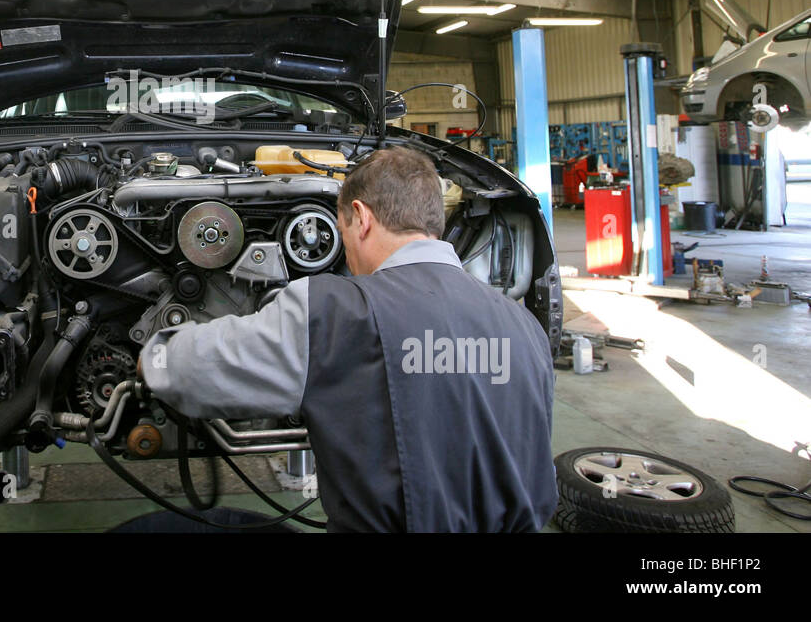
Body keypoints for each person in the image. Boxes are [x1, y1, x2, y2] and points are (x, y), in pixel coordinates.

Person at [140, 146, 558, 532]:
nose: (347, 258)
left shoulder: (335, 312)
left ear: (362, 218)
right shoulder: (526, 329)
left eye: (341, 233)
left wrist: (153, 355)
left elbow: (191, 369)